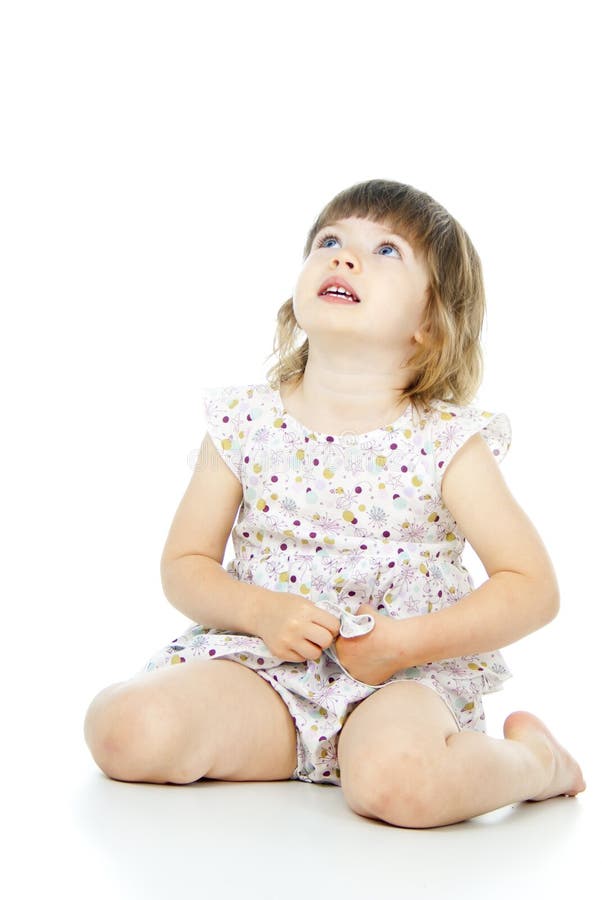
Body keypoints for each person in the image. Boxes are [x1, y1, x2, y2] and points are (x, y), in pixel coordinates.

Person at [83, 178, 585, 828]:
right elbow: (184, 564)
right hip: (266, 673)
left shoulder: (447, 443)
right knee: (126, 731)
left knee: (403, 788)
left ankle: (536, 764)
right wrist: (259, 611)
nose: (344, 256)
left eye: (385, 251)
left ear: (431, 323)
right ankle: (299, 749)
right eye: (330, 240)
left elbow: (533, 588)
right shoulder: (243, 423)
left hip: (399, 684)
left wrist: (403, 644)